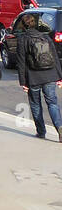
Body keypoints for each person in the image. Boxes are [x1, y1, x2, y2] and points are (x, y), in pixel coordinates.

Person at [16, 12, 62, 141]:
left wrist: (23, 82)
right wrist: (59, 76)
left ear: (24, 26)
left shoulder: (23, 39)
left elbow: (21, 62)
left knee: (36, 104)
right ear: (35, 24)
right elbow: (55, 57)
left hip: (33, 78)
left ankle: (41, 131)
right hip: (50, 74)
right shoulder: (45, 37)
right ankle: (59, 127)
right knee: (52, 103)